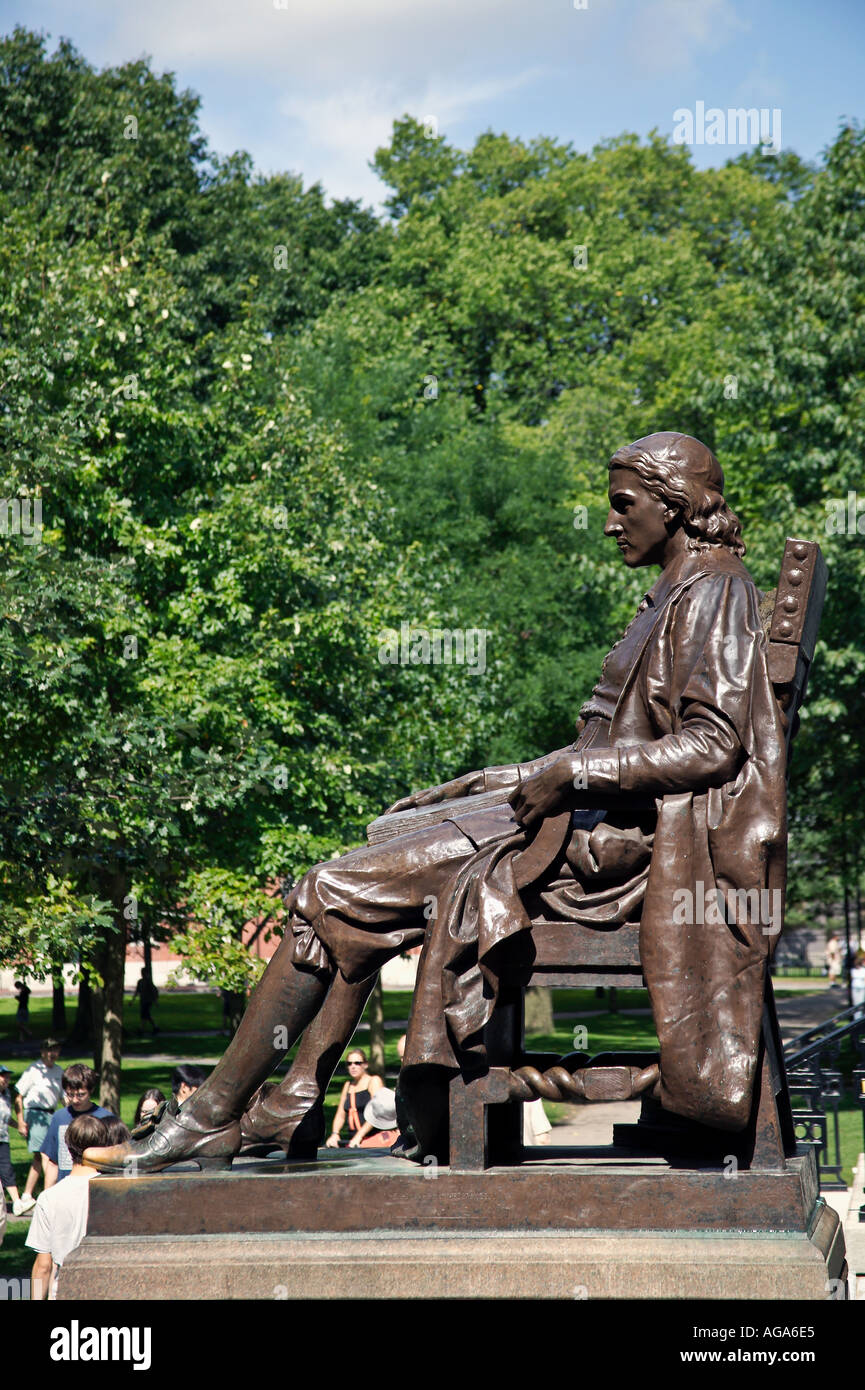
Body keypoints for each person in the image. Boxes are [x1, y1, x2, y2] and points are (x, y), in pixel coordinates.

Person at [86, 432, 789, 1173]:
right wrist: (505, 776)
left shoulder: (712, 591)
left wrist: (571, 774)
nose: (610, 523)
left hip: (608, 854)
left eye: (623, 505)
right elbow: (617, 739)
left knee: (331, 888)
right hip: (581, 824)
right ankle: (283, 1103)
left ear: (675, 505)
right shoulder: (683, 589)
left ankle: (215, 1114)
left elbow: (712, 746)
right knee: (386, 838)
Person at [26, 1114, 108, 1300]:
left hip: (64, 1290)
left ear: (67, 1147)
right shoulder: (114, 1194)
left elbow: (43, 1266)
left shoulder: (49, 1198)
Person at [13, 1039, 64, 1213]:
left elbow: (64, 1098)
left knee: (39, 1156)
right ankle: (51, 1193)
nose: (52, 1054)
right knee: (44, 1153)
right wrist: (20, 1120)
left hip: (52, 1114)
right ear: (42, 1052)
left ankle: (27, 1195)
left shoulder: (58, 1072)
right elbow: (18, 1095)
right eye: (49, 1050)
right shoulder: (34, 1070)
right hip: (35, 1113)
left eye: (55, 1050)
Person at [40, 1065, 113, 1186]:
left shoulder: (105, 1118)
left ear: (91, 1090)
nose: (74, 1100)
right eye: (70, 1094)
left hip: (94, 1188)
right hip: (65, 1187)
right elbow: (53, 1163)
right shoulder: (59, 1117)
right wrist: (47, 1194)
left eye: (80, 1095)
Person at [325, 1050, 383, 1148]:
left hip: (373, 1138)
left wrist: (359, 1136)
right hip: (353, 1140)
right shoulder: (348, 1085)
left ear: (365, 1065)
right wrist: (335, 1134)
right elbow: (340, 1115)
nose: (353, 1066)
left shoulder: (373, 1081)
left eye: (357, 1063)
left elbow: (377, 1112)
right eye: (349, 1063)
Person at [0, 1066, 25, 1213]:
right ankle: (16, 1202)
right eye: (3, 1076)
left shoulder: (7, 1095)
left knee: (6, 1168)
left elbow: (6, 1118)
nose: (6, 1080)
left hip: (3, 1137)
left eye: (8, 1077)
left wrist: (19, 1126)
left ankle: (16, 1202)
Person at [133, 970, 159, 1034]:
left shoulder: (148, 982)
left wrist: (155, 1001)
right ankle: (154, 1027)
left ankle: (142, 1029)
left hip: (148, 1001)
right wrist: (132, 1000)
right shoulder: (140, 982)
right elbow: (137, 991)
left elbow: (153, 992)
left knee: (145, 1015)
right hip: (143, 1001)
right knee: (146, 1015)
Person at [851, 951, 865, 1020]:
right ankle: (857, 1017)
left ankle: (858, 1017)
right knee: (858, 1002)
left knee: (859, 1002)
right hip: (858, 986)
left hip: (860, 987)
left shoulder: (860, 970)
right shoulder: (855, 970)